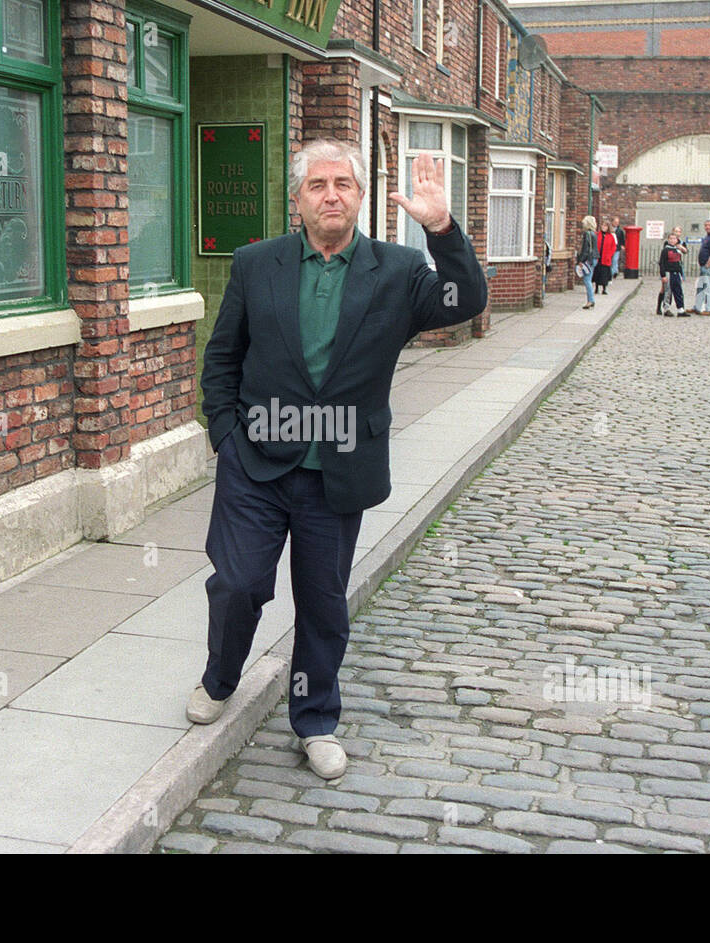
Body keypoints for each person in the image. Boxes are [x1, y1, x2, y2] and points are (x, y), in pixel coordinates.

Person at [191, 139, 487, 780]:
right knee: (238, 584)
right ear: (297, 199)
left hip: (339, 470)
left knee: (323, 602)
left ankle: (315, 717)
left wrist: (441, 227)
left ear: (359, 196)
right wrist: (225, 436)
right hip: (258, 461)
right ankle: (219, 679)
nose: (331, 194)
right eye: (318, 185)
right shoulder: (255, 264)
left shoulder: (400, 270)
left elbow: (466, 302)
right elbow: (220, 359)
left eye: (344, 184)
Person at [693, 219, 710, 315]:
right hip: (704, 266)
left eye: (709, 225)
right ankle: (697, 307)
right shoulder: (708, 237)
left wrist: (707, 266)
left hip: (709, 267)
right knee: (700, 287)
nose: (707, 227)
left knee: (709, 288)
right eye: (706, 225)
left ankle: (709, 309)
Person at [657, 232, 686, 316]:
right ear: (668, 240)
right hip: (668, 273)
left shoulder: (677, 250)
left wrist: (681, 274)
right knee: (668, 291)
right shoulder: (665, 250)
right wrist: (663, 275)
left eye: (674, 239)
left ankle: (680, 309)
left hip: (677, 273)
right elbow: (661, 263)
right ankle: (666, 308)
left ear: (677, 240)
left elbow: (679, 263)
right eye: (671, 239)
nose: (673, 240)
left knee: (678, 291)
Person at [576, 215, 597, 309]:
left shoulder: (587, 234)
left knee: (587, 280)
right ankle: (591, 299)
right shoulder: (593, 233)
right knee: (589, 279)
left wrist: (581, 260)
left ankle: (590, 300)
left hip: (588, 259)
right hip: (594, 258)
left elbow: (586, 249)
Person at [593, 219, 616, 295]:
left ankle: (604, 288)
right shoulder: (597, 235)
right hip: (598, 257)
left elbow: (613, 247)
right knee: (597, 273)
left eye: (605, 226)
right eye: (602, 225)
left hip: (606, 258)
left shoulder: (610, 237)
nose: (603, 227)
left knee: (604, 274)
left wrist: (609, 255)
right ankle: (596, 288)